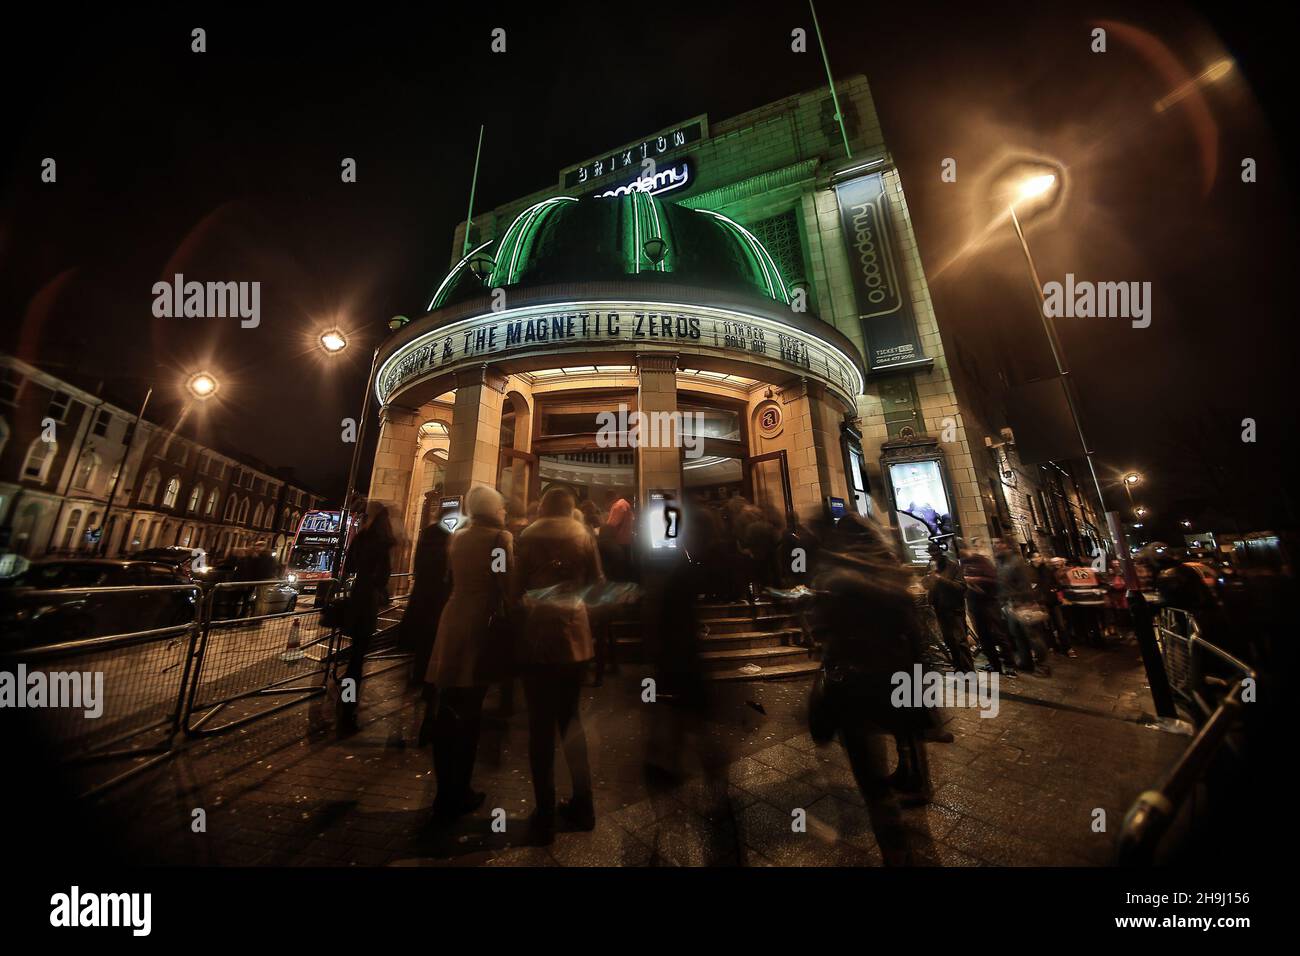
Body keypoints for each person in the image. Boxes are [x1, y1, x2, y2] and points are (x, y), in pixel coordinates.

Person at [809, 515, 938, 864]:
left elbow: (823, 630)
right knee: (905, 737)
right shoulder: (893, 575)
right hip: (897, 678)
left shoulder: (836, 578)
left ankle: (895, 849)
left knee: (872, 781)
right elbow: (913, 633)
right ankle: (915, 786)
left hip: (855, 687)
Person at [513, 487, 603, 845]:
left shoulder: (528, 537)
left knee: (539, 728)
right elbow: (598, 584)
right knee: (571, 721)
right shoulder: (583, 537)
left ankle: (545, 813)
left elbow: (514, 588)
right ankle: (585, 804)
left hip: (537, 639)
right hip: (574, 637)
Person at [425, 485, 513, 822]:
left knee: (448, 702)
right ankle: (459, 790)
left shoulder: (457, 537)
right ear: (494, 508)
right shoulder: (499, 539)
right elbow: (505, 582)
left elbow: (451, 577)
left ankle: (444, 788)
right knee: (471, 707)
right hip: (480, 622)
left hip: (453, 618)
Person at [337, 502, 395, 735]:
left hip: (357, 595)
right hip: (368, 599)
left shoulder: (361, 537)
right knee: (357, 659)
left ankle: (346, 702)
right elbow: (384, 574)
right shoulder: (382, 541)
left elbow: (349, 565)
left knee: (354, 657)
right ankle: (348, 708)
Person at [399, 518, 453, 744]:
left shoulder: (430, 533)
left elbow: (418, 565)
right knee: (437, 654)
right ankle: (430, 715)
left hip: (422, 602)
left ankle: (420, 683)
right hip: (441, 604)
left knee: (425, 649)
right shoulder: (454, 538)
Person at [959, 541, 1015, 676]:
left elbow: (995, 580)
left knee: (998, 634)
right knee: (983, 637)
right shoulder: (962, 564)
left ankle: (1009, 666)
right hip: (974, 604)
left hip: (989, 603)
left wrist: (974, 579)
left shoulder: (981, 561)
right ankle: (994, 665)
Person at [996, 540, 1050, 675]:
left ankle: (1042, 665)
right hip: (1011, 605)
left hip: (1023, 603)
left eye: (998, 545)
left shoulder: (1016, 562)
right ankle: (1026, 662)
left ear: (1005, 546)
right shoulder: (1001, 564)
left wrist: (1024, 599)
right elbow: (1002, 585)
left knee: (1032, 636)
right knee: (1018, 635)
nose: (995, 548)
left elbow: (1026, 583)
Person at [925, 542, 972, 671]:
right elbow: (927, 585)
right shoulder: (931, 566)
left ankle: (968, 670)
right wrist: (927, 580)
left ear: (940, 554)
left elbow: (961, 587)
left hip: (954, 608)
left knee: (960, 640)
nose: (932, 558)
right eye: (931, 555)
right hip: (940, 608)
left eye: (934, 555)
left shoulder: (953, 567)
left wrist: (940, 579)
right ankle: (958, 667)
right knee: (949, 640)